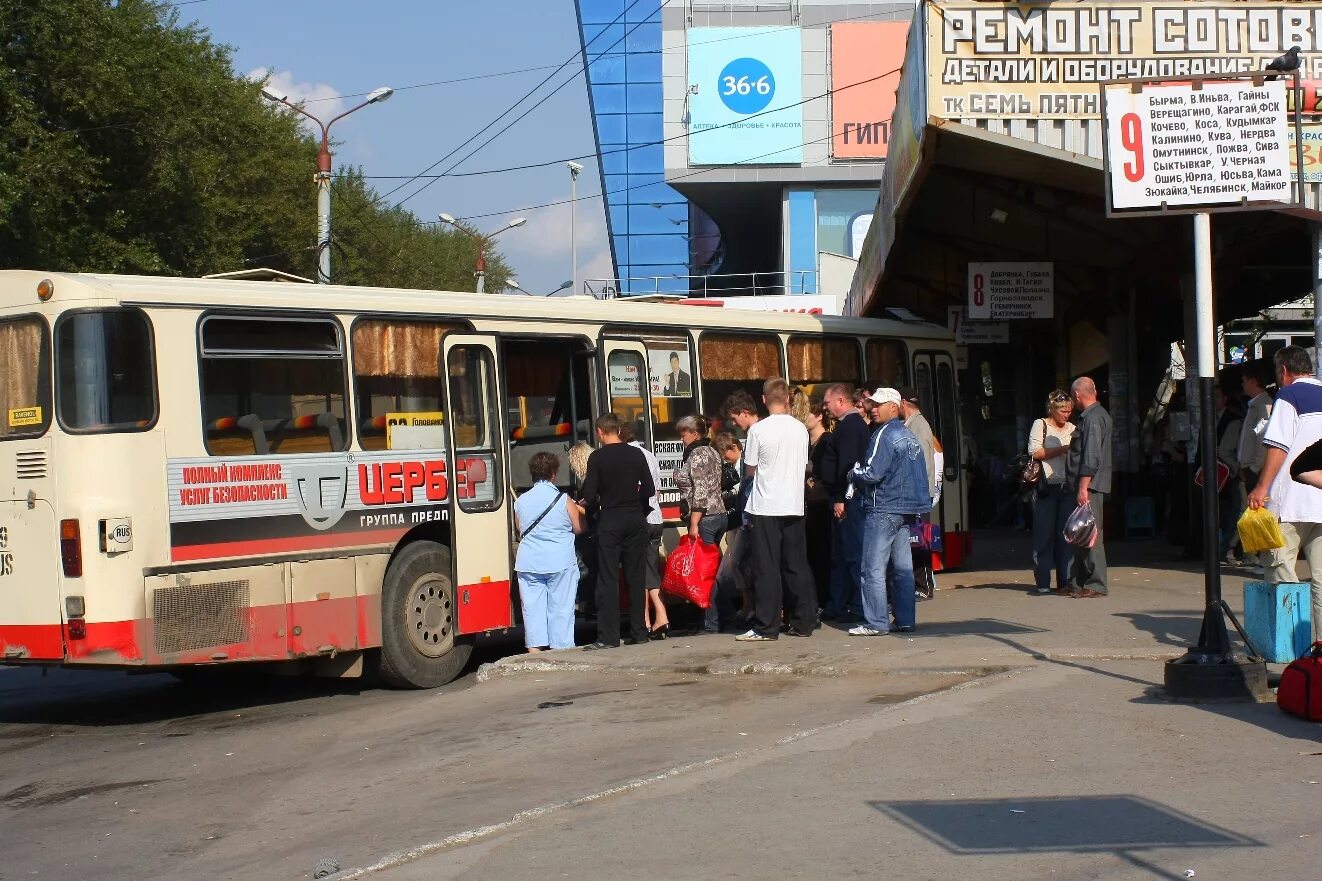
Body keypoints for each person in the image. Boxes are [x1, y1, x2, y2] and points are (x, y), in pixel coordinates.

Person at [1248, 346, 1322, 640]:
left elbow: (1278, 447)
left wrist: (1261, 487)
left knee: (1283, 574)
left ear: (1284, 372)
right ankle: (1319, 650)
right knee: (1321, 582)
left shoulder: (1288, 396)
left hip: (1290, 504)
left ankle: (1294, 649)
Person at [736, 378, 817, 641]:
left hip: (766, 505)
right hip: (794, 503)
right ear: (788, 400)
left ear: (763, 399)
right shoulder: (800, 429)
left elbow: (750, 469)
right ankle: (803, 622)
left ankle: (766, 626)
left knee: (766, 568)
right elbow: (803, 464)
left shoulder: (758, 430)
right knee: (796, 564)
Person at [848, 388, 932, 635]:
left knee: (872, 568)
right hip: (904, 510)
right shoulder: (907, 434)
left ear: (893, 407)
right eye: (872, 404)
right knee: (903, 569)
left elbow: (872, 473)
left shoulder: (883, 434)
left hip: (883, 507)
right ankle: (905, 619)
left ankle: (876, 622)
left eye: (878, 405)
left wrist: (853, 473)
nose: (873, 408)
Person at [578, 413, 655, 650]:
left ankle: (608, 637)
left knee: (608, 580)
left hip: (610, 521)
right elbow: (649, 489)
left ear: (600, 432)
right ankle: (639, 632)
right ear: (620, 431)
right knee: (636, 577)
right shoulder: (636, 453)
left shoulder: (597, 457)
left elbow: (589, 495)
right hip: (635, 519)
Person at [513, 452, 585, 652]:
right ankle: (560, 649)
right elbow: (579, 528)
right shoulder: (563, 499)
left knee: (532, 609)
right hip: (559, 561)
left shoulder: (521, 501)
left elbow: (520, 529)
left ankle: (534, 650)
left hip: (529, 563)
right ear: (553, 474)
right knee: (561, 608)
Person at [673, 415, 727, 633]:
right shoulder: (713, 451)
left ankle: (711, 623)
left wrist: (694, 522)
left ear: (695, 433)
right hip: (719, 513)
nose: (681, 438)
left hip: (705, 518)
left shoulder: (696, 454)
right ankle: (726, 615)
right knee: (713, 570)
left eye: (683, 433)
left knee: (704, 573)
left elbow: (701, 490)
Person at [823, 383, 869, 622]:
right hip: (846, 498)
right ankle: (838, 604)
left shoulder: (850, 427)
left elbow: (850, 465)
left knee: (851, 554)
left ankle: (859, 606)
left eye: (827, 402)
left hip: (849, 500)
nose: (825, 407)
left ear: (841, 401)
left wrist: (842, 498)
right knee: (841, 555)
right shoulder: (849, 425)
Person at [1064, 376, 1113, 598]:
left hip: (1090, 486)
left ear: (1076, 395)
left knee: (1091, 535)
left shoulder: (1093, 419)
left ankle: (1096, 584)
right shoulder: (1093, 416)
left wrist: (1083, 486)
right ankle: (1079, 581)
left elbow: (1091, 456)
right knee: (1080, 532)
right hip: (1088, 484)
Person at [620, 422, 667, 638]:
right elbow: (656, 489)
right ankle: (661, 617)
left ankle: (646, 620)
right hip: (657, 518)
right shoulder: (649, 454)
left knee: (638, 572)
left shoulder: (628, 457)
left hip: (641, 518)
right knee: (650, 570)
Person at [1026, 390, 1075, 595]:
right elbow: (1034, 452)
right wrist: (1062, 449)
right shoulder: (1041, 424)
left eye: (1069, 411)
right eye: (1063, 410)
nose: (1066, 415)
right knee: (1044, 535)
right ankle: (1043, 581)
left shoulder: (1073, 427)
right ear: (1052, 409)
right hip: (1046, 486)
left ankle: (1065, 581)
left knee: (1065, 535)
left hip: (1067, 485)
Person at [713, 431, 754, 624]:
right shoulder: (730, 467)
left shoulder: (747, 465)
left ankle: (750, 604)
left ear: (734, 448)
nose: (723, 459)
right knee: (737, 564)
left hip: (747, 520)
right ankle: (747, 603)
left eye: (724, 454)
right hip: (736, 520)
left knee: (739, 562)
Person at [1238, 361, 1273, 572]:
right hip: (1249, 468)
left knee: (1257, 513)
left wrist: (1253, 467)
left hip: (1256, 471)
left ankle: (1262, 558)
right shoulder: (1255, 405)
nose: (1242, 385)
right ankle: (1258, 557)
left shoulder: (1263, 406)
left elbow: (1264, 440)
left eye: (1243, 380)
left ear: (1253, 381)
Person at [801, 397, 836, 609]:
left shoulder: (827, 440)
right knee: (810, 553)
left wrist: (811, 476)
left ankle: (824, 598)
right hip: (807, 501)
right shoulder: (805, 442)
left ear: (819, 416)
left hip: (821, 501)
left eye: (807, 414)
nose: (804, 419)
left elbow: (825, 471)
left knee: (822, 552)